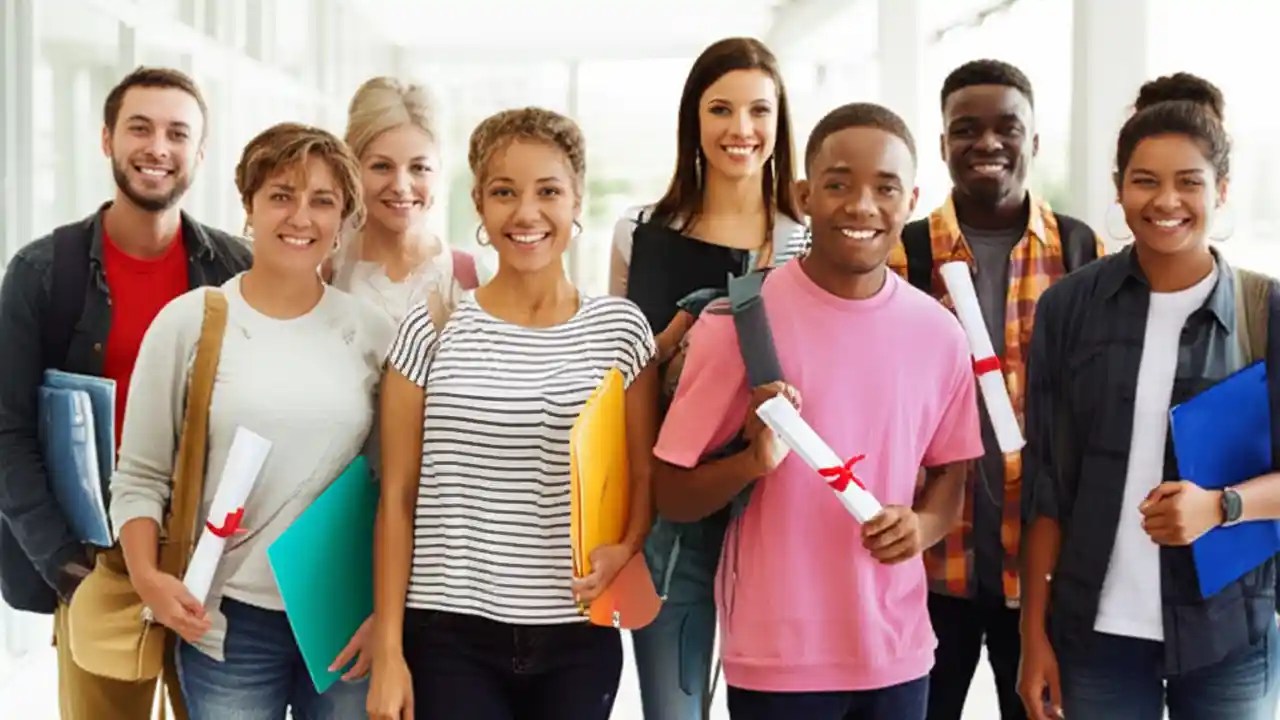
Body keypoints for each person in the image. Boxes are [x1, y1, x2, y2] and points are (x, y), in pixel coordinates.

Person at [651, 102, 984, 720]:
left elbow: (950, 478)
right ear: (805, 195)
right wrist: (752, 461)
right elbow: (671, 491)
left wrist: (922, 527)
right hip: (778, 660)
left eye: (885, 188)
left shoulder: (940, 336)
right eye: (838, 185)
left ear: (911, 199)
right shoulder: (740, 323)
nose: (861, 206)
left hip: (899, 654)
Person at [367, 107, 659, 720]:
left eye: (548, 191)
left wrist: (628, 545)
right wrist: (390, 652)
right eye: (504, 193)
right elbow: (397, 497)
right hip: (448, 634)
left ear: (577, 199)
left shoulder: (620, 331)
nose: (526, 214)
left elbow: (642, 478)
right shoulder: (432, 326)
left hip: (579, 633)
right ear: (478, 203)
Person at [110, 122, 394, 719]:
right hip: (224, 620)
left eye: (323, 201)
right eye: (281, 195)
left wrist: (385, 620)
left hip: (343, 619)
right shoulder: (191, 322)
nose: (301, 217)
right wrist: (148, 579)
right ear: (249, 206)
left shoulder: (373, 334)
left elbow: (397, 487)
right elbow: (139, 474)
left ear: (344, 218)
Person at [1018, 73, 1280, 720]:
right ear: (1119, 189)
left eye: (1189, 181)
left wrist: (1223, 506)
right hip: (1094, 635)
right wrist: (1032, 638)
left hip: (1229, 631)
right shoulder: (1068, 308)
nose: (1167, 200)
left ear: (1220, 190)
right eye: (1145, 180)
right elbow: (1047, 485)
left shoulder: (1264, 311)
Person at [0, 66, 250, 720]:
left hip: (213, 554)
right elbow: (7, 431)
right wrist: (64, 566)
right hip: (99, 557)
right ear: (106, 138)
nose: (157, 147)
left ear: (200, 153)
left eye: (177, 133)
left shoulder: (236, 271)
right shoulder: (41, 273)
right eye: (139, 128)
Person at [886, 60, 1102, 720]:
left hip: (1041, 568)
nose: (987, 144)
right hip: (929, 566)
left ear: (1034, 141)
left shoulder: (1077, 248)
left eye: (1008, 127)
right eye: (966, 129)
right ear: (943, 141)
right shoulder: (905, 253)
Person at [608, 36, 806, 720]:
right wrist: (668, 350)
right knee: (674, 709)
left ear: (782, 124)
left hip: (781, 514)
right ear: (693, 119)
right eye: (721, 109)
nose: (741, 130)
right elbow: (618, 379)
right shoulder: (639, 231)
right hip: (671, 518)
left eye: (759, 111)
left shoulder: (806, 238)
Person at [331, 76, 480, 328]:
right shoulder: (324, 273)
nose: (400, 186)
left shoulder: (469, 278)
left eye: (419, 167)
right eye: (381, 166)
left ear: (439, 170)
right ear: (352, 167)